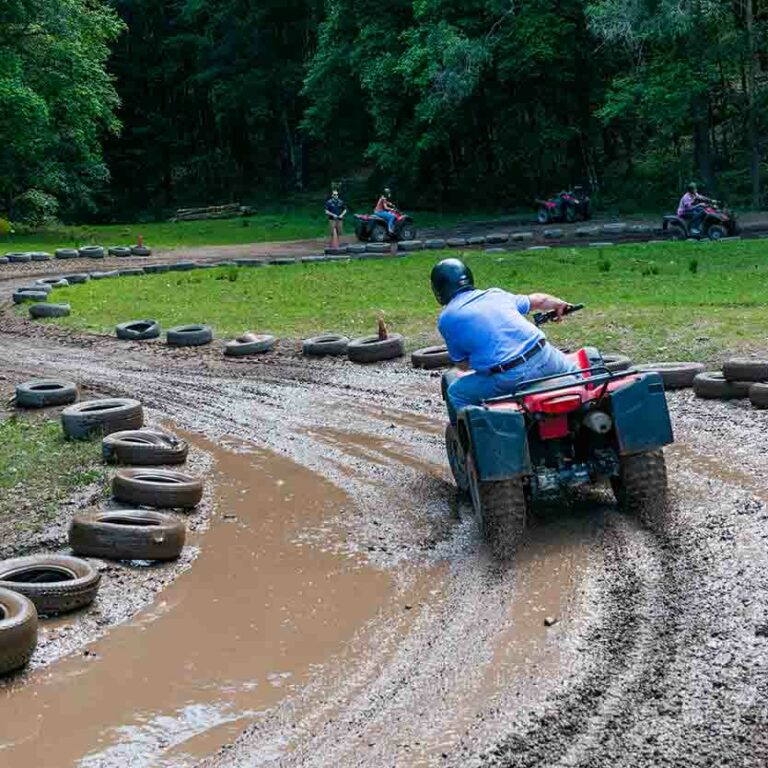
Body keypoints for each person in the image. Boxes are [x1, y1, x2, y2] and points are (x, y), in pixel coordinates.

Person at [431, 258, 579, 425]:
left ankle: (472, 437)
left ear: (439, 289)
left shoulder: (447, 318)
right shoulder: (495, 294)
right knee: (582, 378)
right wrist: (559, 304)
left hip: (509, 377)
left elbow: (463, 366)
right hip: (546, 357)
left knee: (456, 393)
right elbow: (539, 300)